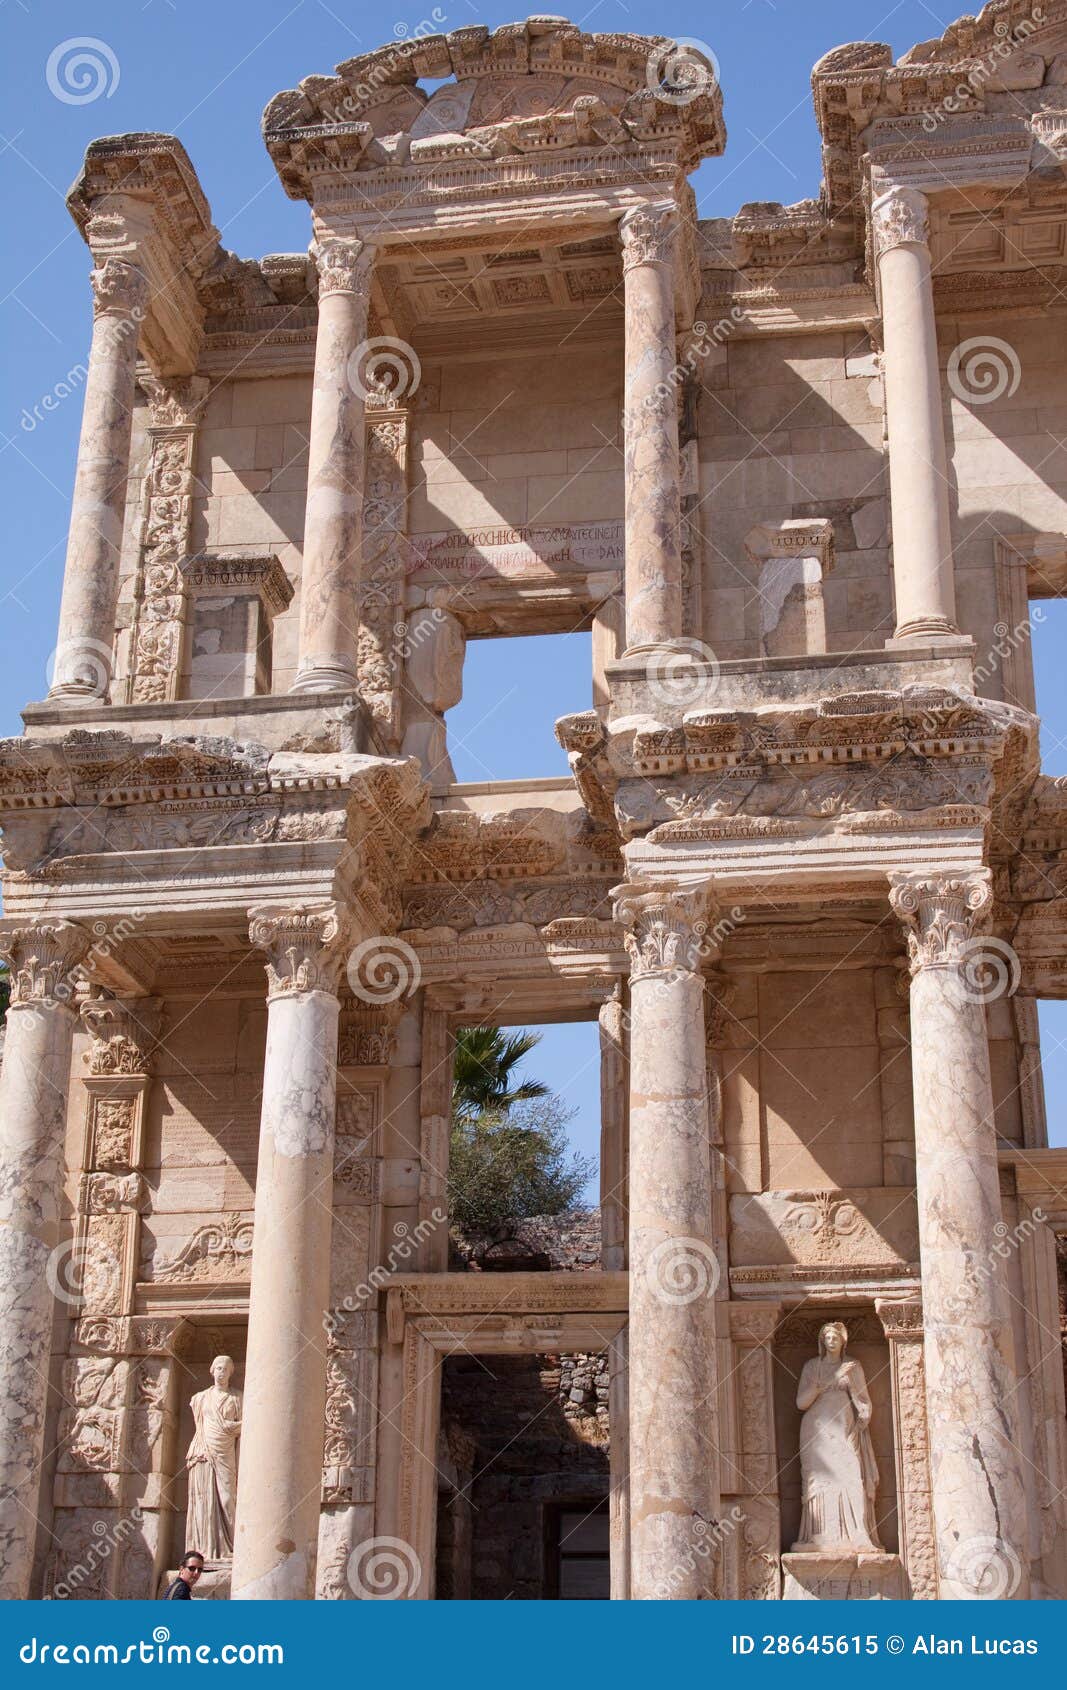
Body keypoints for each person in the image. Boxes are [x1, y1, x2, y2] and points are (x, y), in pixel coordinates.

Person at [793, 1320, 881, 1552]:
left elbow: (862, 1400)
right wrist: (822, 1386)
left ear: (843, 1340)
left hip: (843, 1427)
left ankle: (857, 1534)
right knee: (818, 1479)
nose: (830, 1341)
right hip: (816, 1428)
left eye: (835, 1337)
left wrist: (862, 1421)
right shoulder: (812, 1367)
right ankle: (819, 1537)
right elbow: (801, 1402)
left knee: (850, 1474)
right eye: (827, 1338)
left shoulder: (852, 1366)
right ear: (822, 1341)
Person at [185, 1355, 242, 1559]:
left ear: (230, 1373)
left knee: (228, 1499)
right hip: (203, 1452)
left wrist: (231, 1427)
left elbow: (248, 1423)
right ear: (211, 1370)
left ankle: (232, 1547)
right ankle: (204, 1551)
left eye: (225, 1369)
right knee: (203, 1499)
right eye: (218, 1368)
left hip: (225, 1453)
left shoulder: (237, 1397)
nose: (221, 1372)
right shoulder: (199, 1398)